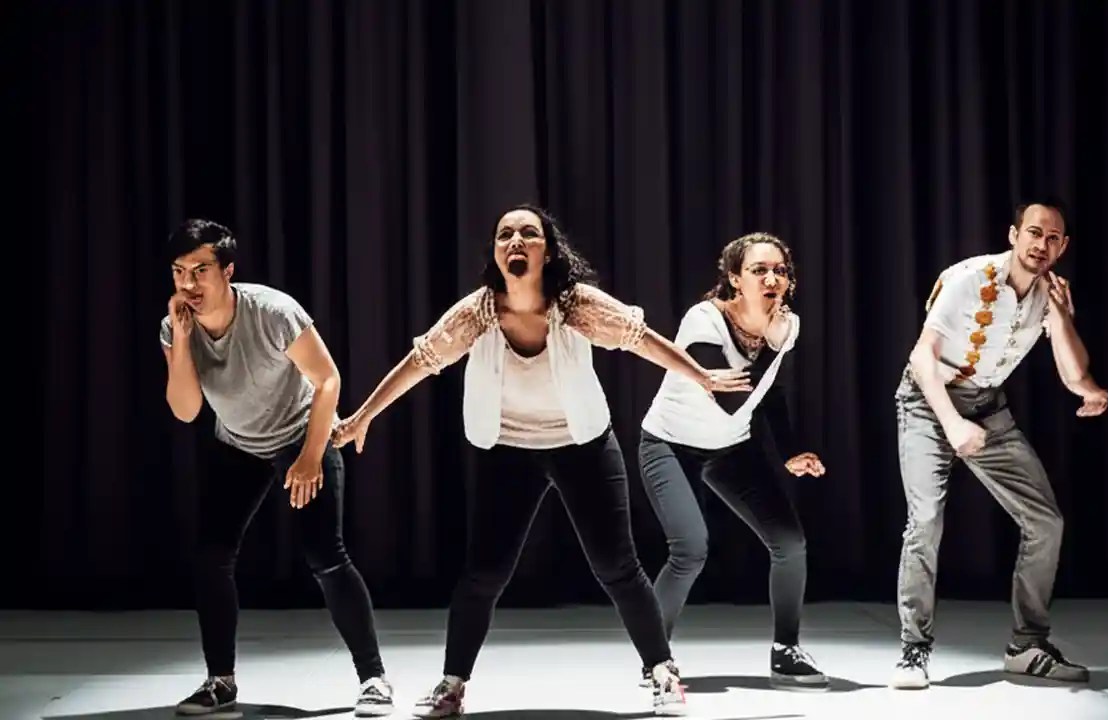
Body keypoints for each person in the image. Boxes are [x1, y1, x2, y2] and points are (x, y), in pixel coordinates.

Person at [332, 205, 751, 717]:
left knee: (618, 568)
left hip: (583, 446)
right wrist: (362, 416)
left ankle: (662, 672)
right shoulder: (478, 312)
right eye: (505, 234)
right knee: (482, 575)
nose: (515, 241)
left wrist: (702, 378)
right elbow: (420, 362)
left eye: (528, 234)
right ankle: (452, 684)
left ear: (547, 251)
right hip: (507, 448)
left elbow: (645, 343)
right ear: (494, 251)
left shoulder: (576, 305)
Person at [159, 219, 394, 716]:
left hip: (300, 431)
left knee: (325, 557)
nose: (188, 284)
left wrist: (311, 457)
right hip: (238, 441)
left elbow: (328, 379)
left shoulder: (271, 311)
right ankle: (220, 681)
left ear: (228, 272)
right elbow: (185, 409)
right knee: (211, 555)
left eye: (200, 271)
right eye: (180, 272)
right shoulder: (175, 325)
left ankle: (374, 678)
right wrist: (180, 341)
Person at [890, 200, 1108, 689]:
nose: (1041, 245)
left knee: (1045, 522)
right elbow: (923, 356)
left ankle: (1027, 644)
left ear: (1063, 246)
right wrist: (951, 424)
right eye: (1034, 233)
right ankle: (913, 649)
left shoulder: (1050, 292)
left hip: (987, 406)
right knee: (924, 521)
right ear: (1014, 235)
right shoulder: (969, 278)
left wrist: (1060, 317)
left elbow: (1074, 374)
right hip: (929, 402)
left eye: (1053, 238)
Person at [636, 233, 828, 691]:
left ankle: (786, 651)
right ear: (735, 280)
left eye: (779, 270)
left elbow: (771, 393)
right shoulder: (703, 320)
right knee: (690, 549)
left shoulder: (786, 325)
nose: (771, 278)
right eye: (759, 270)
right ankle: (655, 659)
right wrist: (775, 346)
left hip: (731, 448)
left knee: (790, 543)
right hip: (670, 444)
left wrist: (788, 451)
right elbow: (729, 396)